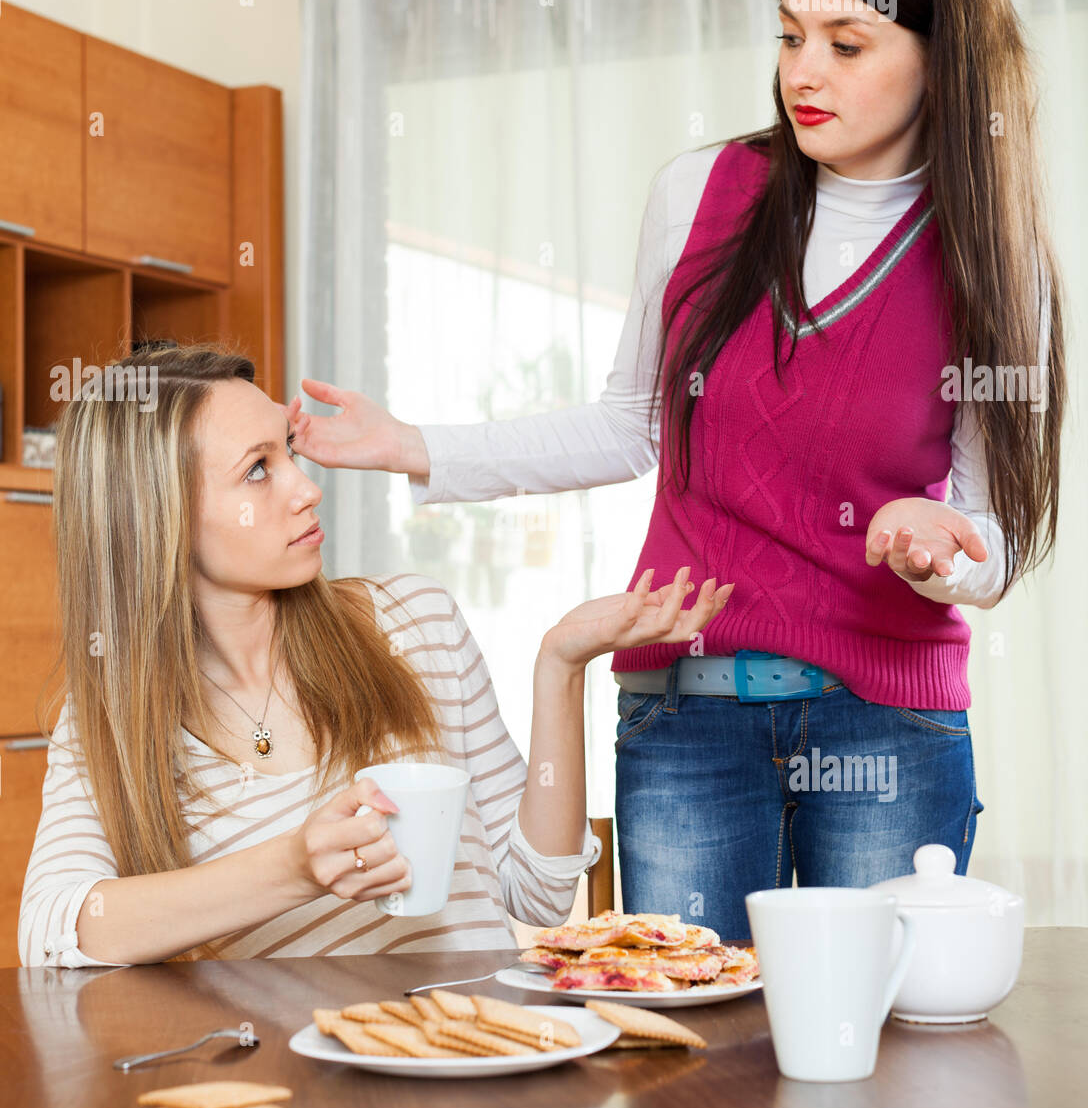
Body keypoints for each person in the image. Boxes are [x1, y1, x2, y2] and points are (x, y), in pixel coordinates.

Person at [282, 0, 1065, 940]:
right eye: (790, 36)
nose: (803, 71)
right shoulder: (702, 192)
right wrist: (410, 445)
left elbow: (995, 536)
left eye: (846, 42)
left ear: (942, 55)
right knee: (687, 1048)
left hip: (886, 720)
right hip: (684, 713)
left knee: (881, 1057)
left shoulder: (994, 260)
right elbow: (628, 422)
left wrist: (944, 554)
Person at [18, 343, 731, 968]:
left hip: (480, 1076)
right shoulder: (108, 723)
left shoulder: (414, 623)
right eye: (258, 472)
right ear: (157, 517)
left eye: (288, 454)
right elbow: (54, 931)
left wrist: (560, 666)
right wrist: (295, 867)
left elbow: (538, 892)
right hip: (304, 1100)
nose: (306, 487)